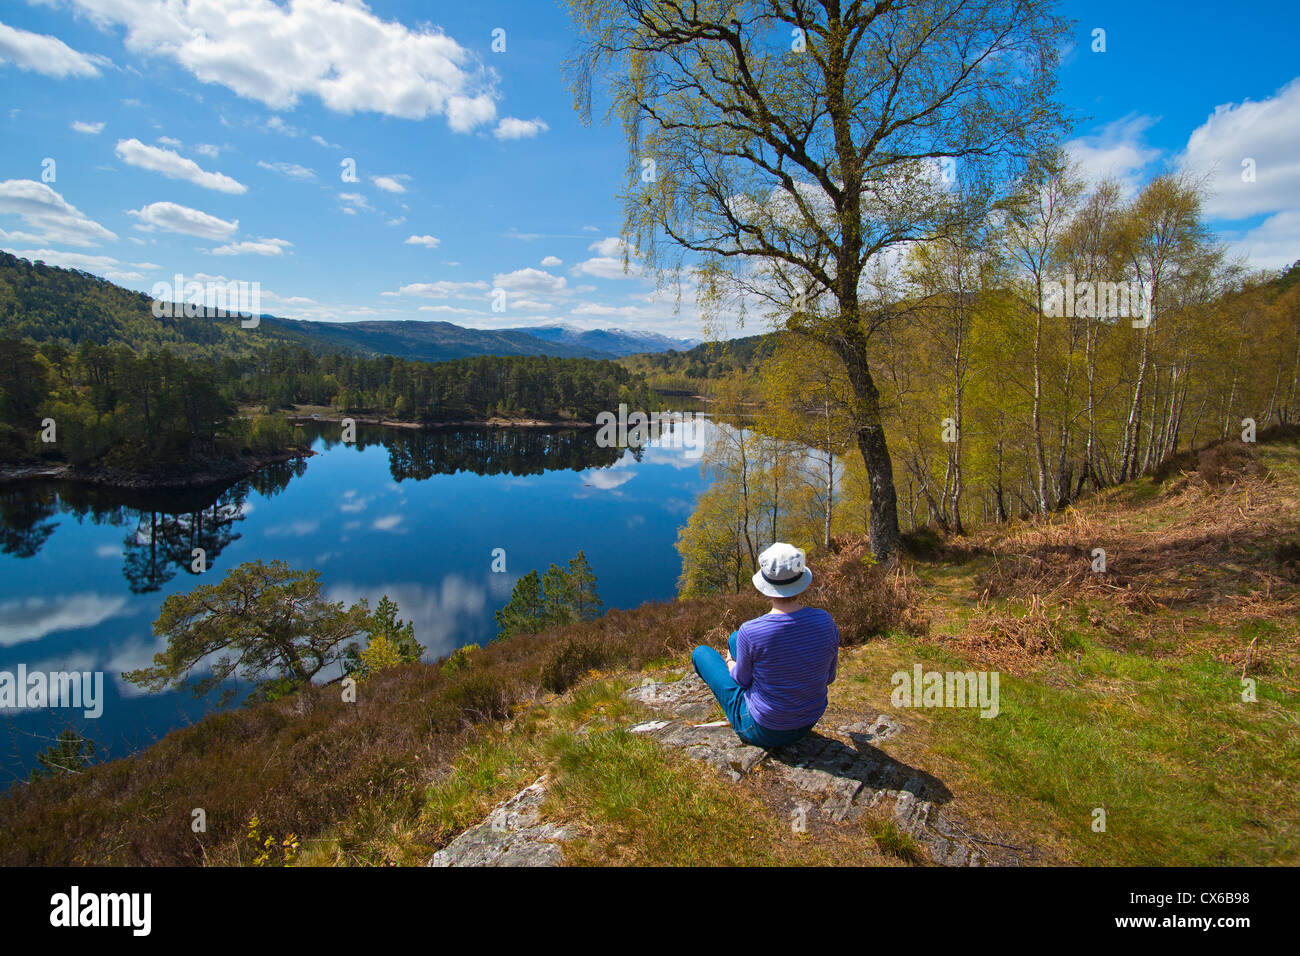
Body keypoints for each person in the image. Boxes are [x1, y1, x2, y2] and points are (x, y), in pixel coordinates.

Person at [691, 542, 840, 749]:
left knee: (701, 653)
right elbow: (829, 678)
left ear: (767, 587)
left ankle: (746, 710)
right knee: (735, 639)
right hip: (810, 719)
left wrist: (730, 663)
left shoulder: (752, 631)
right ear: (801, 583)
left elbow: (741, 681)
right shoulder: (825, 621)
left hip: (765, 729)